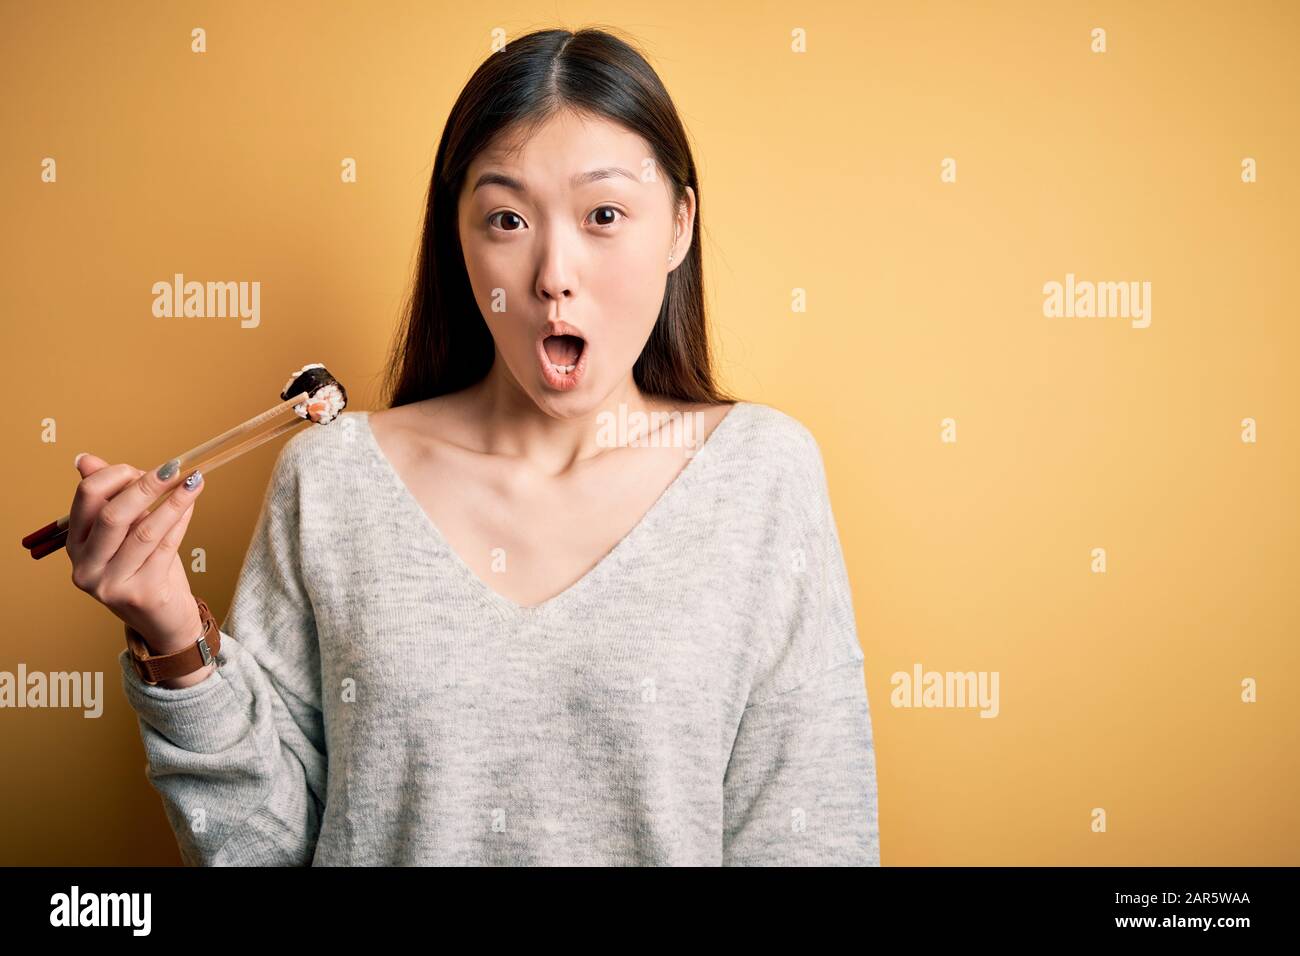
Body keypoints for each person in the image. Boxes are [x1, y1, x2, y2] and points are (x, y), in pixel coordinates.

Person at [67, 27, 879, 866]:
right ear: (458, 242)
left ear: (678, 227)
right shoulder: (332, 477)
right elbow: (258, 852)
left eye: (605, 214)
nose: (553, 272)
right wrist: (170, 634)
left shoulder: (761, 477)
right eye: (507, 218)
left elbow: (813, 836)